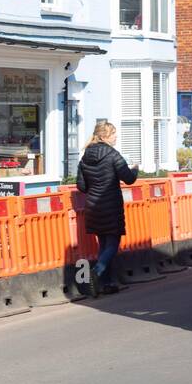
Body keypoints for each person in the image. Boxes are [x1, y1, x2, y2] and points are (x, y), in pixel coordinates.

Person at [76, 120, 138, 295]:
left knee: (103, 244)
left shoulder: (85, 156)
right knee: (112, 244)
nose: (116, 136)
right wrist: (135, 169)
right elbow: (129, 179)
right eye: (113, 133)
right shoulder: (113, 155)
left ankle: (107, 284)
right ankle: (96, 273)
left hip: (93, 206)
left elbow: (82, 186)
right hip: (110, 204)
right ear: (104, 136)